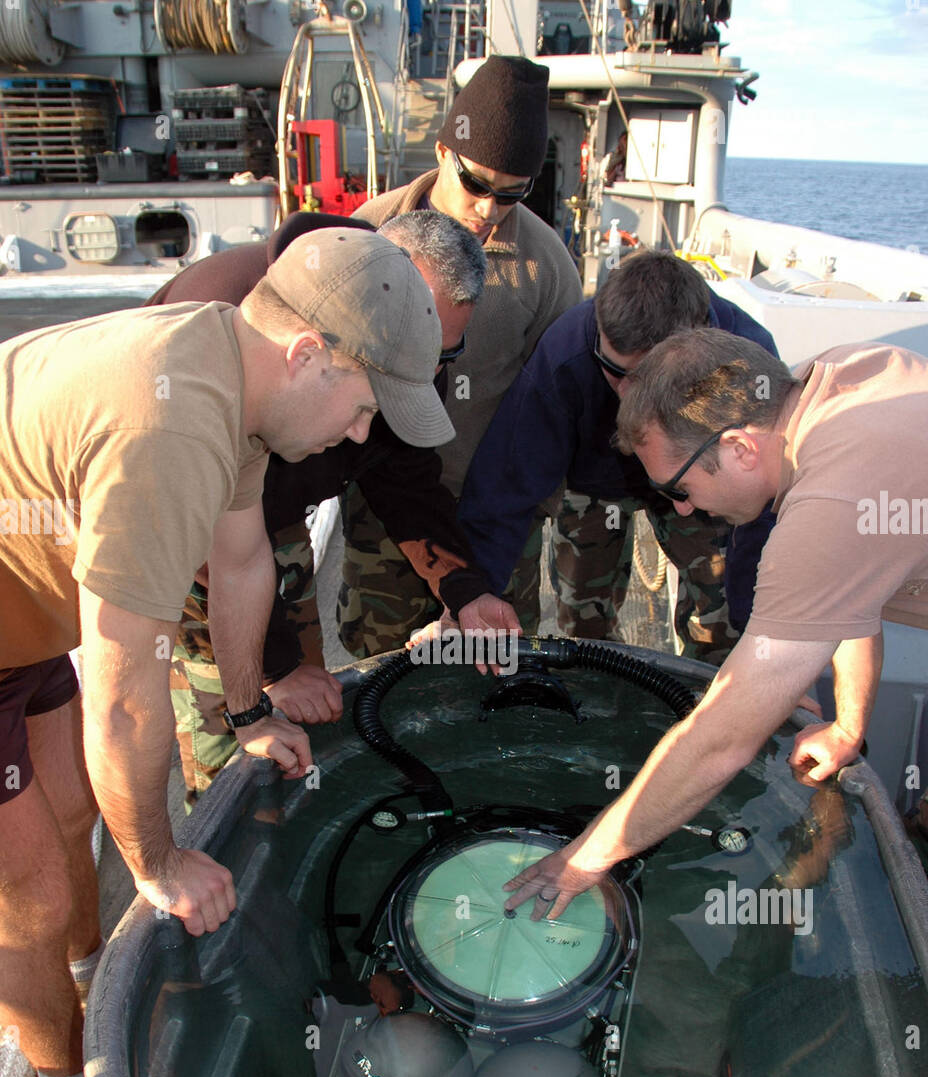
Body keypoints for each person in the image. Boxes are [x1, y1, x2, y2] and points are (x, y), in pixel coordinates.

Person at [0, 227, 450, 1077]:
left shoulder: (227, 369)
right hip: (19, 611)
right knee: (26, 900)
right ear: (309, 354)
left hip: (28, 601)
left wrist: (249, 714)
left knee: (79, 809)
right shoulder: (167, 428)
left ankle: (85, 985)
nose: (362, 437)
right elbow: (124, 695)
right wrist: (159, 862)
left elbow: (241, 560)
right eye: (366, 407)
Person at [502, 329, 928, 918]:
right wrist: (848, 726)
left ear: (741, 450)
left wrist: (582, 860)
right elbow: (853, 584)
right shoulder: (833, 377)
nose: (680, 508)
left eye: (679, 488)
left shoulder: (831, 508)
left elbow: (719, 741)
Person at [153, 210, 507, 805]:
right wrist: (270, 668)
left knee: (309, 703)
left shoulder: (413, 353)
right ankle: (223, 838)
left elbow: (407, 481)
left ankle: (293, 811)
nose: (428, 366)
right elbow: (191, 527)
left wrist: (463, 586)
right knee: (237, 727)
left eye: (443, 354)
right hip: (179, 518)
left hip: (267, 508)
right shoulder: (204, 321)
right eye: (410, 352)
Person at [340, 53, 584, 656]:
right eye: (476, 183)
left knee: (490, 667)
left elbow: (559, 411)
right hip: (383, 503)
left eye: (512, 193)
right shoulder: (368, 232)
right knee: (381, 666)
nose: (487, 209)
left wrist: (530, 512)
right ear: (444, 152)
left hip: (494, 512)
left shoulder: (547, 266)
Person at [447, 251, 778, 663]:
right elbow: (507, 483)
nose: (625, 394)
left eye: (643, 379)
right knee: (583, 620)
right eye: (611, 369)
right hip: (596, 483)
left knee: (724, 616)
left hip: (705, 482)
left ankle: (711, 706)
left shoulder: (750, 357)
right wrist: (470, 590)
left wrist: (763, 637)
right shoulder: (564, 351)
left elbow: (762, 511)